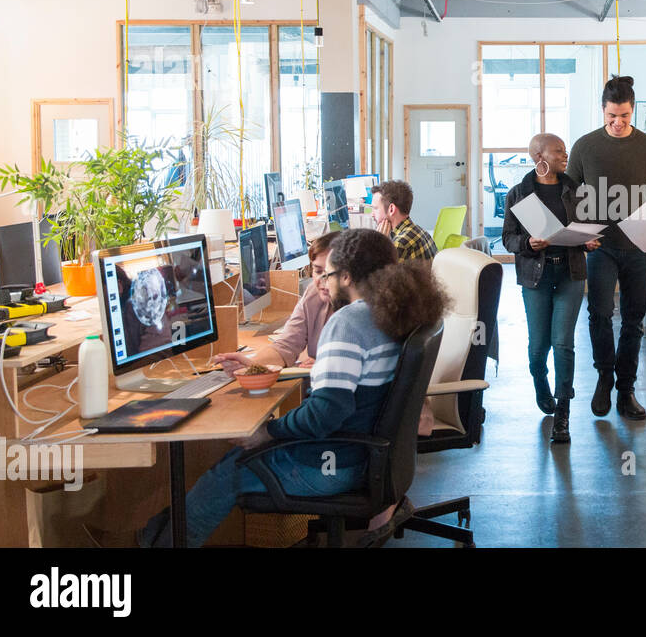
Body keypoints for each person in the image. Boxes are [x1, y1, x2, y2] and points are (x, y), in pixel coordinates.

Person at [138, 228, 448, 548]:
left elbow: (327, 412)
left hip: (336, 464)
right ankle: (154, 536)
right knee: (233, 463)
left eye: (326, 275)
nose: (322, 283)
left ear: (345, 277)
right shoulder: (391, 311)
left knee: (228, 471)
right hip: (368, 458)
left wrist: (268, 432)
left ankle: (157, 541)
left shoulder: (348, 322)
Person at [566, 76, 646, 421]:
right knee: (599, 314)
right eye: (612, 116)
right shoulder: (584, 147)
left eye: (625, 116)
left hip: (639, 245)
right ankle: (603, 378)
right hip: (599, 246)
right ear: (603, 110)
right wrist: (579, 232)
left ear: (633, 111)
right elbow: (568, 196)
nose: (618, 123)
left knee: (633, 319)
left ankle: (626, 389)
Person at [501, 133, 600, 444]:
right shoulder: (519, 193)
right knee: (537, 348)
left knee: (563, 343)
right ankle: (540, 383)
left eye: (565, 150)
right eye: (558, 151)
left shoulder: (575, 190)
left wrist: (589, 241)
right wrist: (527, 243)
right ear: (538, 156)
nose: (565, 155)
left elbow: (587, 226)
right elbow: (508, 238)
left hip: (570, 273)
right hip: (536, 276)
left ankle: (563, 414)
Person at [214, 232, 339, 371]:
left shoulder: (361, 308)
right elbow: (285, 347)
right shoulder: (314, 294)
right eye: (317, 270)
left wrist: (332, 366)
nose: (322, 280)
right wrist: (249, 365)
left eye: (330, 272)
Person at [372, 179, 437, 262]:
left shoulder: (399, 245)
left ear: (391, 209)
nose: (372, 214)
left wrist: (378, 246)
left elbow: (376, 274)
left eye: (375, 208)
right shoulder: (422, 232)